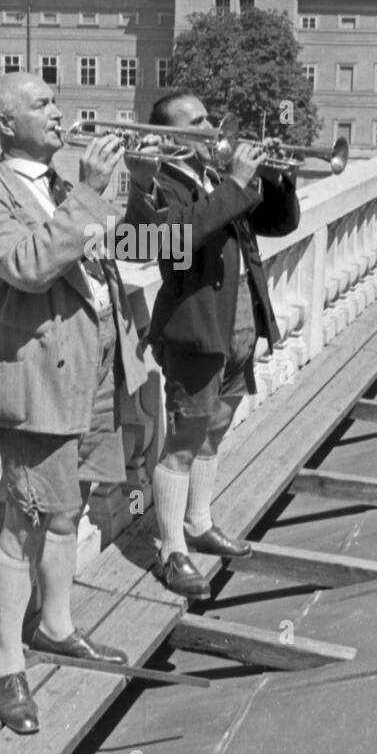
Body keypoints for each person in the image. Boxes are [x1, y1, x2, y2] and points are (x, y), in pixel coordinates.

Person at [0, 73, 147, 734]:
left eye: (56, 101)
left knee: (67, 516)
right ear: (3, 122)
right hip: (37, 383)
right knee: (24, 520)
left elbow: (105, 252)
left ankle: (57, 627)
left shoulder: (65, 188)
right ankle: (6, 663)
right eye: (41, 104)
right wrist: (92, 196)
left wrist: (127, 187)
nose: (59, 112)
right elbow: (31, 265)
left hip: (94, 368)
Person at [125, 92, 300, 599]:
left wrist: (277, 177)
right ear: (172, 137)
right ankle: (171, 550)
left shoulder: (217, 176)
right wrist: (237, 184)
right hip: (195, 333)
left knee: (214, 432)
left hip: (239, 324)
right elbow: (163, 243)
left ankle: (199, 522)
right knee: (182, 442)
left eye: (210, 118)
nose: (214, 128)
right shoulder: (163, 184)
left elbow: (279, 222)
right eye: (197, 122)